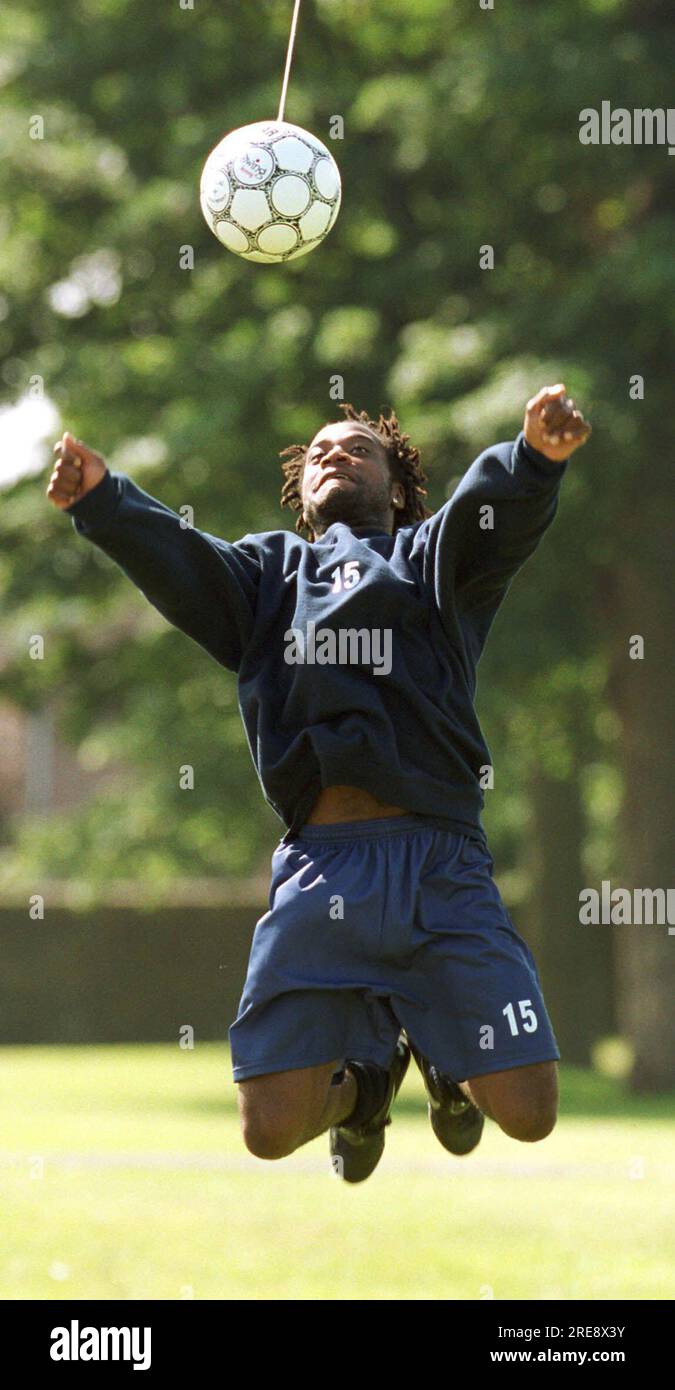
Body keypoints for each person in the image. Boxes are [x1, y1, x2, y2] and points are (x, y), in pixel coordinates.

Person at [47, 383, 591, 1183]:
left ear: (399, 490)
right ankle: (369, 1086)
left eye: (358, 448)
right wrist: (103, 500)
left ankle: (446, 1058)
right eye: (319, 454)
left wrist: (534, 460)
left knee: (530, 1114)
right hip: (319, 868)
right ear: (301, 495)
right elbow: (179, 558)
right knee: (268, 1131)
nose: (335, 453)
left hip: (438, 864)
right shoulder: (266, 576)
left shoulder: (431, 561)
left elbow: (493, 514)